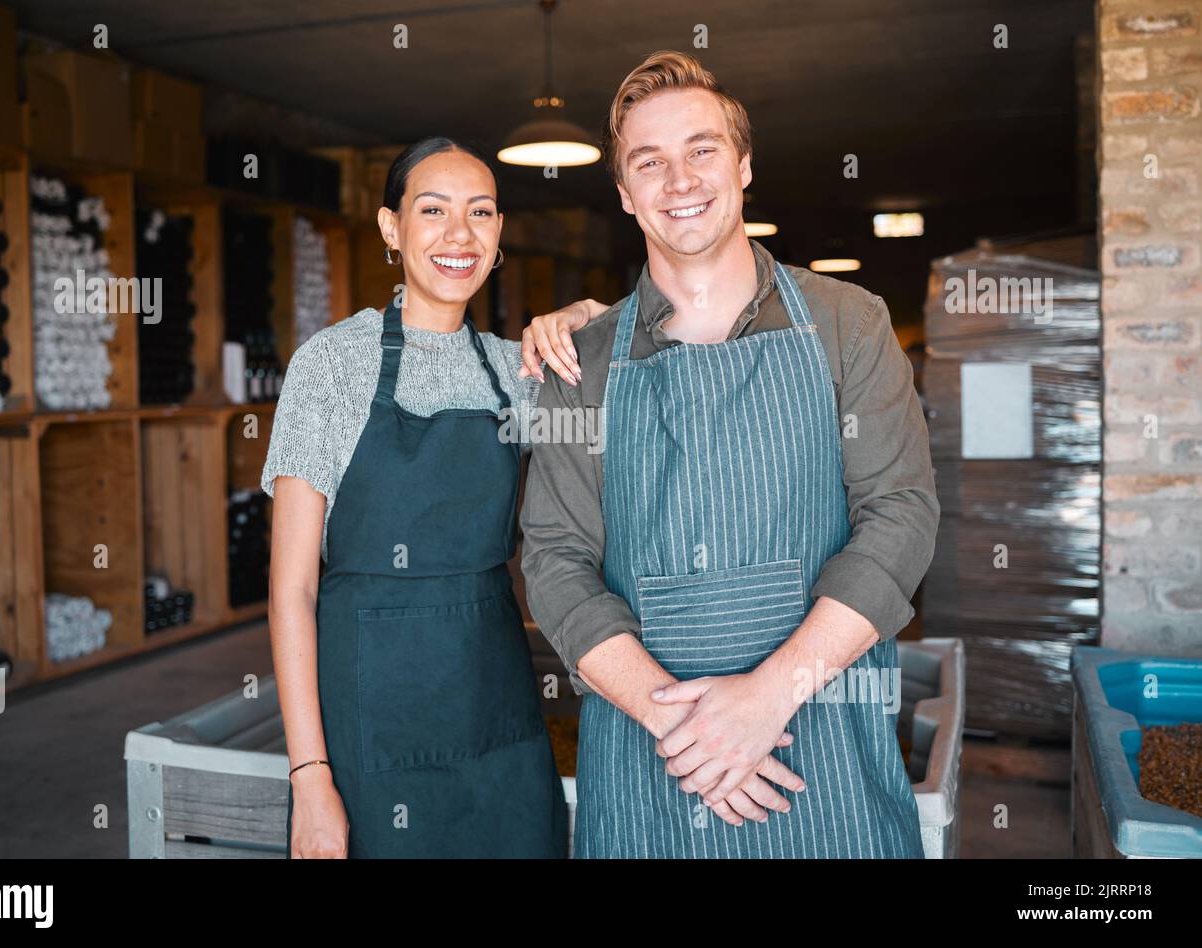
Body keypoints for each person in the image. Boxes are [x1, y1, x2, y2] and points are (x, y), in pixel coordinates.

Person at [520, 51, 940, 857]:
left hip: (824, 752)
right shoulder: (583, 360)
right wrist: (689, 728)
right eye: (650, 162)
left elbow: (901, 519)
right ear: (624, 193)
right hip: (652, 767)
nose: (679, 180)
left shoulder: (850, 324)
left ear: (744, 166)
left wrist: (767, 700)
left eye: (702, 150)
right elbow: (556, 561)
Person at [263, 136, 599, 858]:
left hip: (497, 715)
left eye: (480, 213)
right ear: (392, 229)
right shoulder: (330, 366)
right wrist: (311, 778)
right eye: (433, 210)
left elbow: (646, 364)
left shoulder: (522, 372)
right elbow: (291, 591)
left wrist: (584, 319)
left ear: (499, 233)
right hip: (370, 726)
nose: (459, 235)